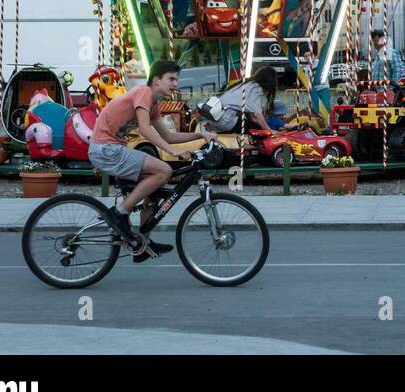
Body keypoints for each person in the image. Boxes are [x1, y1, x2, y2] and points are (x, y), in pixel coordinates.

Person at [90, 60, 211, 260]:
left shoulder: (152, 103)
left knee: (153, 189)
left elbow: (169, 136)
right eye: (171, 79)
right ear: (156, 80)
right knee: (164, 170)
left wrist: (201, 136)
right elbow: (146, 130)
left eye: (176, 79)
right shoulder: (143, 92)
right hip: (106, 149)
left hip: (111, 149)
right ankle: (119, 213)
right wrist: (173, 152)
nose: (175, 84)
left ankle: (142, 241)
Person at [211, 66, 279, 132]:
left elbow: (247, 111)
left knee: (252, 125)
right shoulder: (256, 89)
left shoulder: (247, 84)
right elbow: (257, 115)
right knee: (257, 129)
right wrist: (269, 130)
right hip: (225, 120)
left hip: (215, 118)